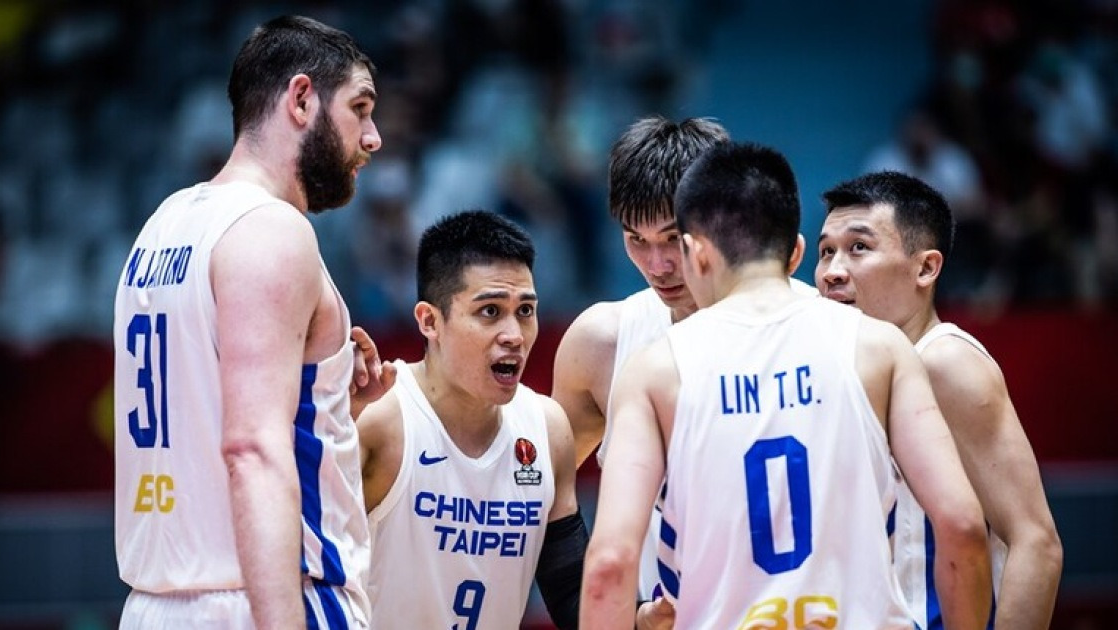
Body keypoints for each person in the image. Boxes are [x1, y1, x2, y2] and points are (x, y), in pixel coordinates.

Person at [581, 141, 993, 629]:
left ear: (694, 252)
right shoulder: (880, 348)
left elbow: (609, 565)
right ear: (797, 252)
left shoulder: (654, 370)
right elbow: (964, 527)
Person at [113, 16, 392, 629]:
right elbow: (251, 449)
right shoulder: (271, 229)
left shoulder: (164, 224)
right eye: (360, 108)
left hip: (153, 607)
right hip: (265, 600)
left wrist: (325, 401)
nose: (373, 138)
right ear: (300, 99)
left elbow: (206, 407)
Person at [551, 115, 811, 626]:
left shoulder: (819, 326)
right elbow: (540, 500)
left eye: (672, 238)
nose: (657, 265)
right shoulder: (602, 342)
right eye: (635, 239)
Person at [815, 170, 1063, 629]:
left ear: (926, 268)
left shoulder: (945, 362)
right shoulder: (847, 370)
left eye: (859, 248)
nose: (832, 272)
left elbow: (1036, 542)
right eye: (826, 251)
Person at [357, 209, 585, 629]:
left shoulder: (547, 429)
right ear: (430, 321)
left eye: (525, 311)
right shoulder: (378, 418)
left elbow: (571, 589)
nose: (514, 335)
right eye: (490, 312)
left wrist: (639, 618)